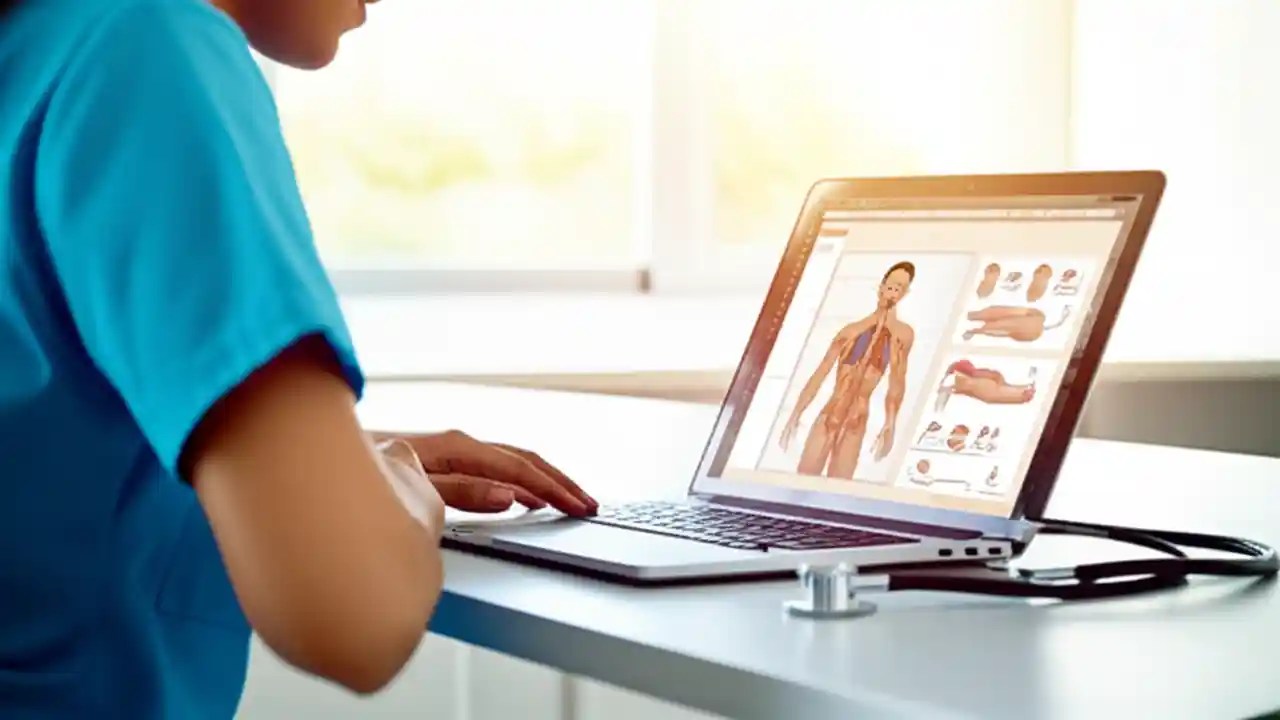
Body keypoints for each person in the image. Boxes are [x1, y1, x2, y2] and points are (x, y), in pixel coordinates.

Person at [0, 1, 597, 718]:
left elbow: (46, 457)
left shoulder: (41, 42)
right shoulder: (150, 48)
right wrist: (399, 485)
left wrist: (325, 465)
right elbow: (353, 611)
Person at [778, 261, 916, 479]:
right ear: (881, 286)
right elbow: (820, 373)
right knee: (803, 480)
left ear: (905, 293)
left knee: (837, 487)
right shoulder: (850, 331)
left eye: (900, 287)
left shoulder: (902, 335)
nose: (894, 291)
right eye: (891, 285)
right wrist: (796, 413)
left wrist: (890, 423)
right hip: (829, 415)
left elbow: (897, 382)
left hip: (856, 420)